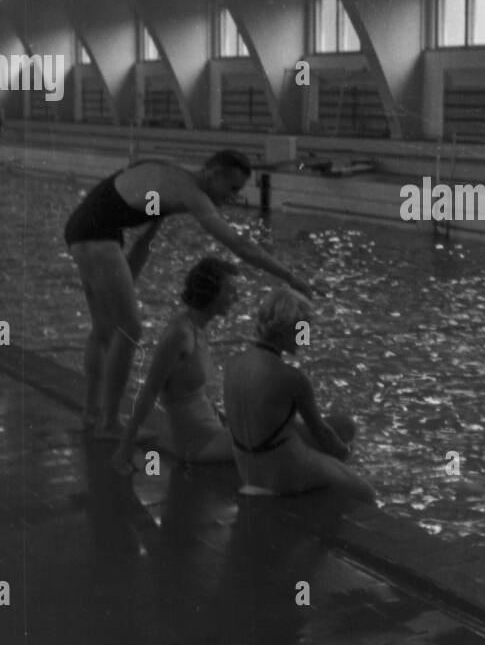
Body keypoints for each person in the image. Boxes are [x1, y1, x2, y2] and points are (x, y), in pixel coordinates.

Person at [64, 149, 315, 438]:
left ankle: (91, 414)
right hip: (98, 236)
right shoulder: (190, 192)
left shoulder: (168, 184)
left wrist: (124, 280)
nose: (232, 196)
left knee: (104, 330)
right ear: (213, 172)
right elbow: (239, 245)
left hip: (85, 230)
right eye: (231, 187)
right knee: (129, 327)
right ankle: (108, 424)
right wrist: (290, 276)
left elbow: (145, 236)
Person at [223, 288, 374, 503]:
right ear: (286, 330)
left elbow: (265, 417)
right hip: (281, 470)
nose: (305, 337)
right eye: (302, 329)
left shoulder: (234, 364)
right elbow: (321, 433)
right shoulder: (291, 378)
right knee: (365, 493)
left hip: (246, 466)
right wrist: (345, 454)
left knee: (343, 425)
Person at [111, 258, 239, 473]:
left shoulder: (197, 327)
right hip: (197, 444)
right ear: (212, 291)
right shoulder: (179, 334)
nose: (236, 298)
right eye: (230, 291)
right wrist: (124, 448)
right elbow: (150, 390)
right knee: (276, 440)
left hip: (210, 432)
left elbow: (196, 395)